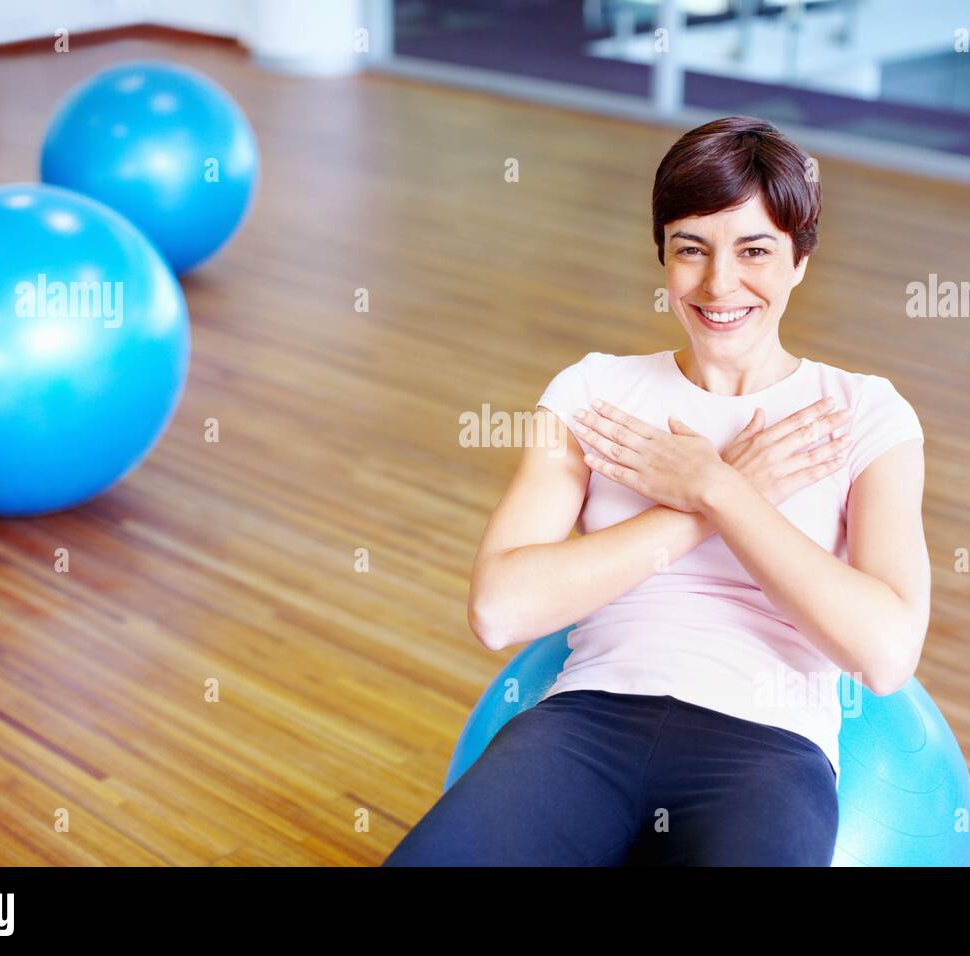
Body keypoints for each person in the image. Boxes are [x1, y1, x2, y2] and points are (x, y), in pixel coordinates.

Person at [383, 116, 930, 866]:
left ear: (800, 258)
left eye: (755, 250)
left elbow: (886, 653)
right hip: (582, 727)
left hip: (766, 750)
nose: (719, 284)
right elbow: (498, 609)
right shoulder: (594, 389)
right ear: (663, 258)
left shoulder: (864, 412)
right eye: (691, 250)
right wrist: (700, 505)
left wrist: (719, 488)